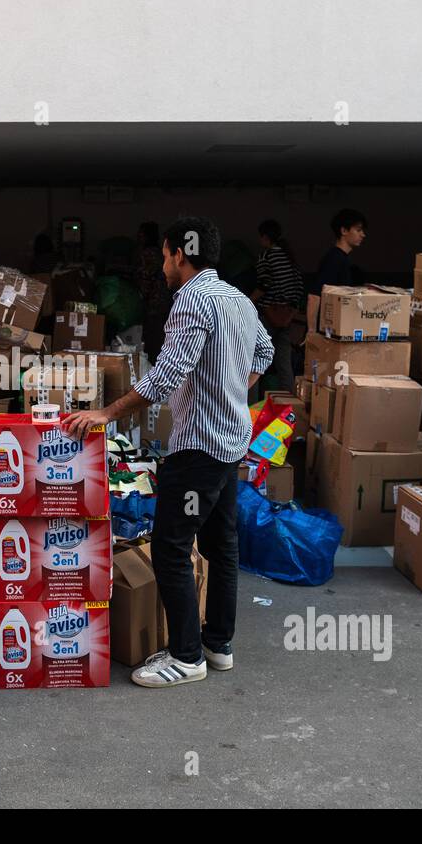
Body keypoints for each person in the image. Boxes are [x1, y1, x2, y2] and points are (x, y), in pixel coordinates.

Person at [64, 217, 273, 688]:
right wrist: (233, 393)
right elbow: (265, 353)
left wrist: (105, 413)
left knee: (171, 548)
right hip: (230, 443)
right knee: (222, 547)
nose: (161, 266)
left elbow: (165, 378)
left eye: (164, 256)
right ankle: (218, 645)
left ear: (181, 254)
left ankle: (186, 656)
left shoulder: (192, 300)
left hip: (198, 447)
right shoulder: (238, 299)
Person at [250, 219, 304, 392]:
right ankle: (286, 404)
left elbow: (264, 284)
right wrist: (290, 313)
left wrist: (247, 301)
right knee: (284, 361)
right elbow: (299, 288)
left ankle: (249, 404)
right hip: (286, 316)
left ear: (265, 237)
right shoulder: (290, 258)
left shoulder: (266, 256)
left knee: (255, 359)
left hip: (268, 315)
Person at [136, 222, 172, 361]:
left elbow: (146, 277)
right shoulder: (158, 252)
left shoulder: (149, 253)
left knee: (152, 336)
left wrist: (140, 296)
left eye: (141, 234)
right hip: (162, 301)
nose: (138, 237)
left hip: (153, 303)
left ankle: (152, 363)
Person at [315, 208, 367, 293]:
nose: (363, 235)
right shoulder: (334, 258)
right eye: (358, 230)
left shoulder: (342, 258)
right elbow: (315, 294)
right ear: (344, 231)